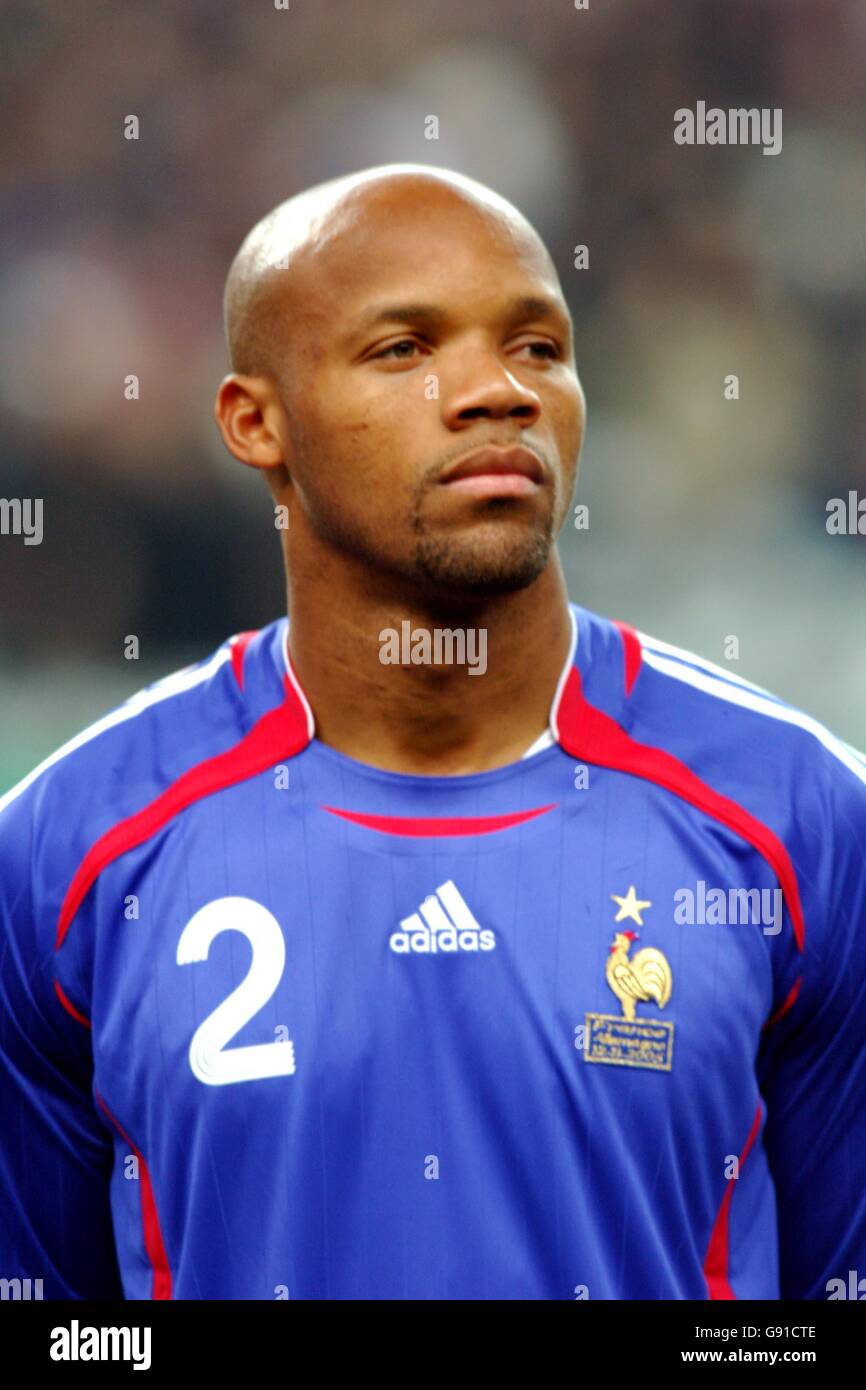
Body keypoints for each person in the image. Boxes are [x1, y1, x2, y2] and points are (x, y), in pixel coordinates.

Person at [1, 164, 864, 1301]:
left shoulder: (800, 818)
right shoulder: (69, 849)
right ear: (255, 422)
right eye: (404, 350)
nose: (496, 391)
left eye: (538, 348)